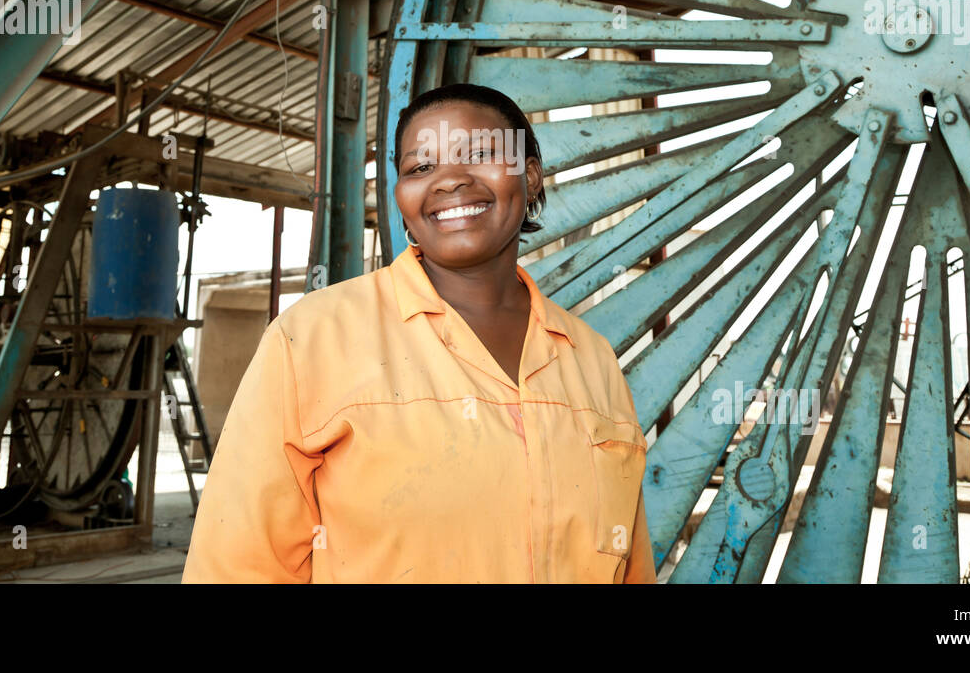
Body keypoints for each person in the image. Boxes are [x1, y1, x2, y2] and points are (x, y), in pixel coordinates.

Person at [182, 83, 656, 582]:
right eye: (420, 168)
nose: (449, 181)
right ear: (401, 196)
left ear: (531, 177)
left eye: (479, 153)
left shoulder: (592, 359)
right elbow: (239, 565)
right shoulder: (312, 339)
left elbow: (632, 565)